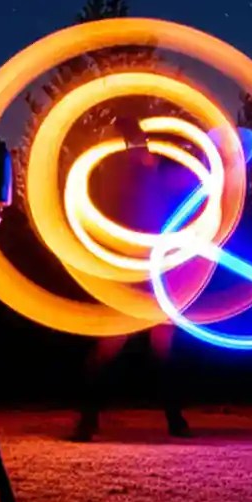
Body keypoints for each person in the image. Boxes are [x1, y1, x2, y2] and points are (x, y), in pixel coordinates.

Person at [70, 115, 192, 441]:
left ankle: (174, 419)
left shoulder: (147, 175)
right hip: (130, 273)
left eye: (143, 144)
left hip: (157, 274)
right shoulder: (122, 180)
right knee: (111, 347)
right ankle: (89, 418)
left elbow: (187, 186)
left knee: (163, 349)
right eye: (136, 145)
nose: (143, 150)